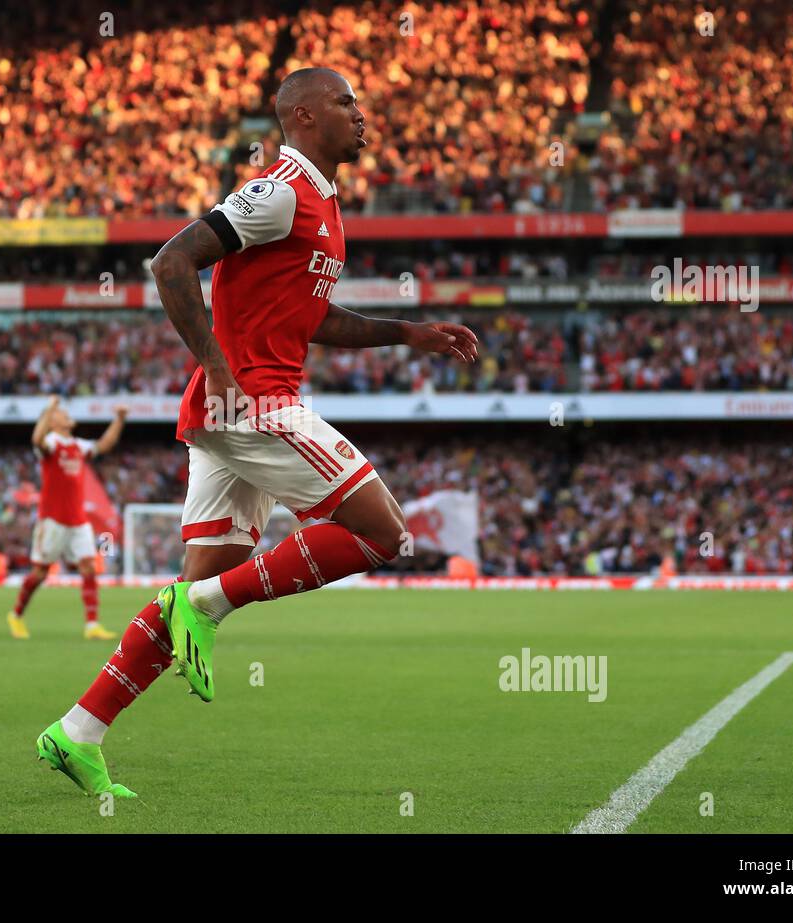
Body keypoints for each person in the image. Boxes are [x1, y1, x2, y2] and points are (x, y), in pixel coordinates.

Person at [36, 68, 478, 797]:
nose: (361, 114)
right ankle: (205, 607)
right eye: (346, 102)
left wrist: (410, 333)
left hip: (239, 406)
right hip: (250, 401)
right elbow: (171, 260)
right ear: (302, 115)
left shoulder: (327, 207)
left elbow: (318, 319)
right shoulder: (279, 190)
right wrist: (215, 365)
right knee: (381, 533)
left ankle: (79, 729)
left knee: (196, 579)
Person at [8, 397, 128, 641]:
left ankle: (92, 624)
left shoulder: (76, 446)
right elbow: (36, 439)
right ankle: (16, 614)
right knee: (40, 572)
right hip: (52, 519)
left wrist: (120, 419)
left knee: (89, 567)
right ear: (52, 421)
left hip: (78, 519)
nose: (66, 415)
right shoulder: (51, 443)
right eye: (60, 413)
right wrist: (50, 408)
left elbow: (104, 445)